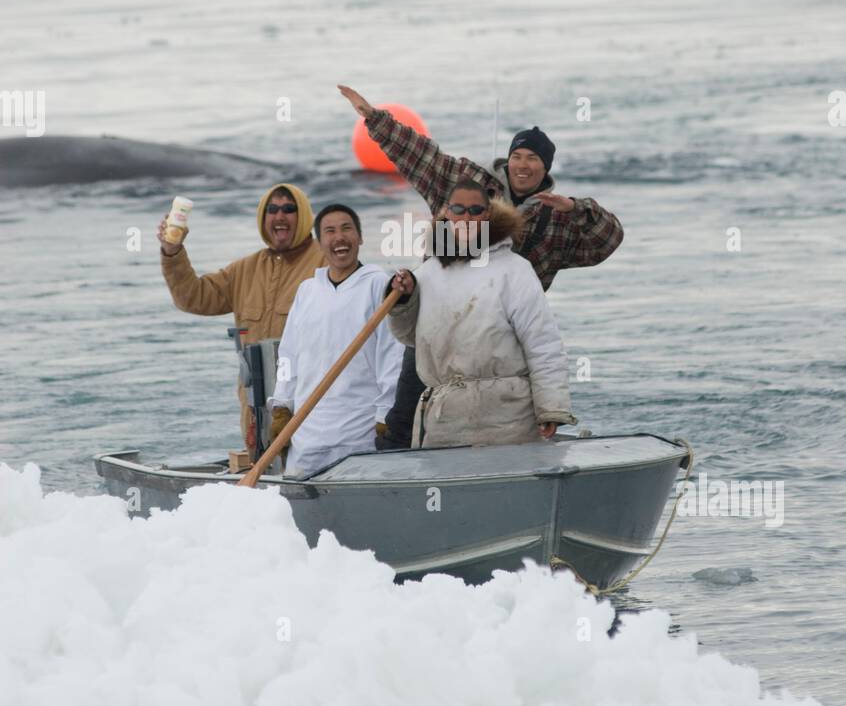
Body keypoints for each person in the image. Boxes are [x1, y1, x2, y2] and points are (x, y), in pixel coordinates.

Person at [338, 84, 622, 443]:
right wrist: (375, 119)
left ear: (545, 167)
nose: (523, 164)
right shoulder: (468, 186)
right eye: (518, 155)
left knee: (503, 425)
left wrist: (579, 209)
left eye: (533, 158)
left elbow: (607, 241)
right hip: (438, 325)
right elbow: (421, 155)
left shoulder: (557, 221)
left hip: (502, 340)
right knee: (404, 419)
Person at [387, 180, 576, 449]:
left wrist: (551, 407)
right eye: (459, 209)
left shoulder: (515, 270)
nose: (466, 217)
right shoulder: (426, 273)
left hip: (508, 416)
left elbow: (542, 342)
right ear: (446, 214)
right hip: (445, 420)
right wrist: (403, 299)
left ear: (487, 216)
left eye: (475, 211)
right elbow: (407, 336)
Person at [157, 182, 325, 452]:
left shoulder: (324, 263)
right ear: (263, 217)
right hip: (256, 409)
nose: (279, 216)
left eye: (289, 209)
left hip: (311, 408)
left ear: (303, 216)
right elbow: (193, 297)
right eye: (272, 209)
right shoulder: (244, 269)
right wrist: (172, 252)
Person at [268, 203, 404, 476]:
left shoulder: (379, 285)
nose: (339, 237)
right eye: (329, 231)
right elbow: (288, 355)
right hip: (306, 434)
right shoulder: (307, 291)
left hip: (358, 433)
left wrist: (384, 415)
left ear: (360, 237)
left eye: (346, 229)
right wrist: (282, 405)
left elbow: (393, 356)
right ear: (320, 243)